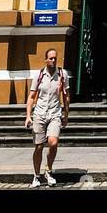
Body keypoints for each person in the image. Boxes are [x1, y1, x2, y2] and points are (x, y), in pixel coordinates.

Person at [25, 48, 70, 187]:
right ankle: (36, 175)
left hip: (55, 113)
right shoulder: (39, 75)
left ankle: (48, 171)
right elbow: (31, 97)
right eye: (51, 58)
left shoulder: (63, 74)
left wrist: (66, 115)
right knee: (38, 147)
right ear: (46, 60)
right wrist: (28, 116)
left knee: (53, 142)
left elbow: (66, 96)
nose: (53, 60)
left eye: (55, 58)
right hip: (39, 114)